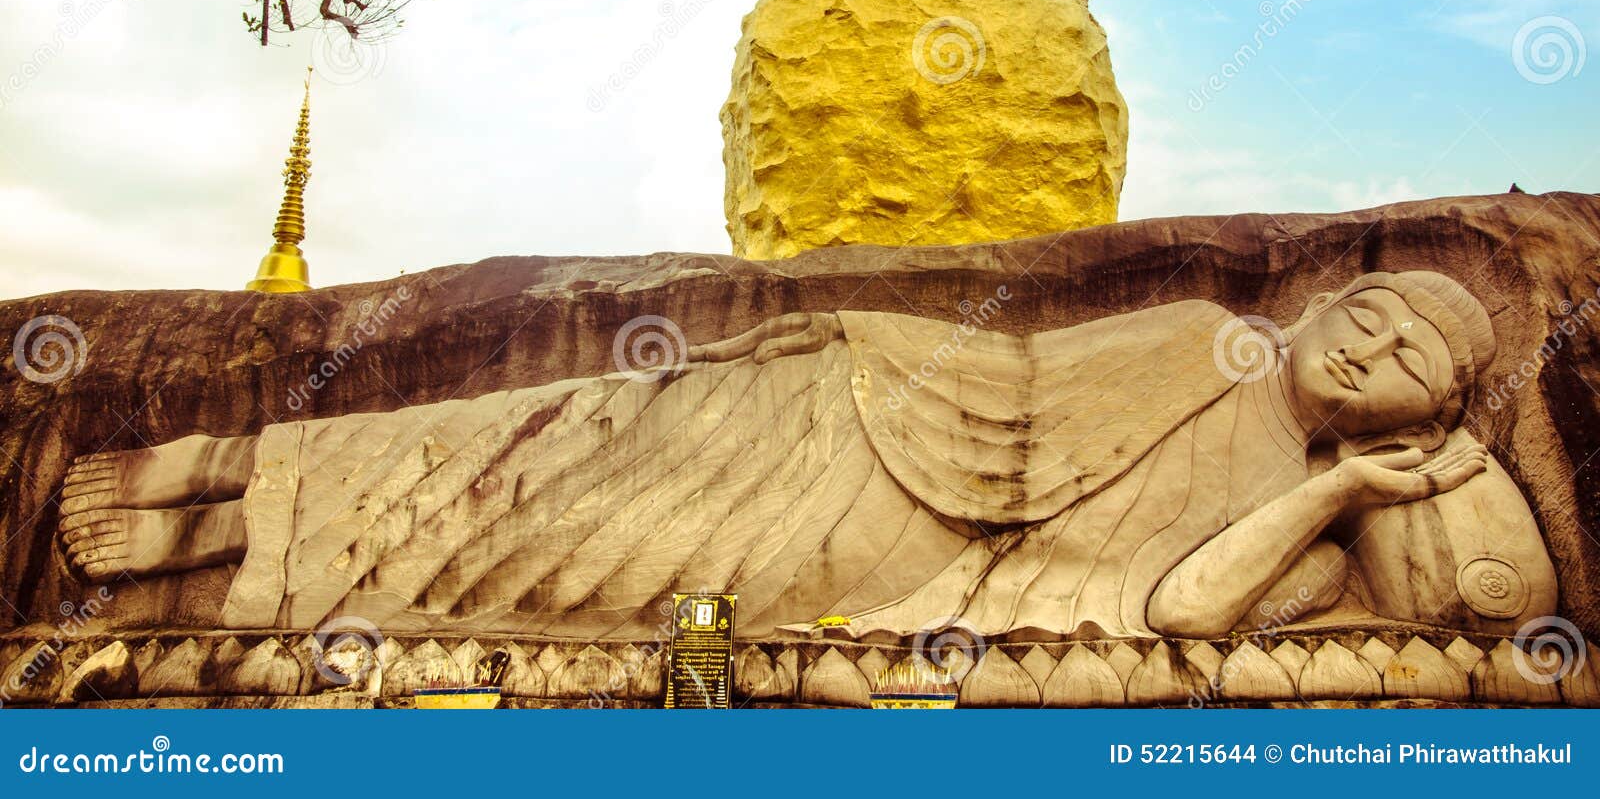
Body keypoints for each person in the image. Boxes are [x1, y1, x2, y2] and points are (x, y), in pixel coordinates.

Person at [58, 271, 1554, 640]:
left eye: (1411, 359)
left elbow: (1172, 611)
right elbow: (1015, 372)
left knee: (581, 569)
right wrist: (840, 331)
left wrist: (1339, 493)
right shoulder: (1209, 328)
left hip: (902, 555)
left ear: (1420, 415)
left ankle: (223, 579)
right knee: (555, 436)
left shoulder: (1307, 529)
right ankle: (210, 472)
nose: (1367, 347)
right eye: (1369, 311)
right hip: (860, 415)